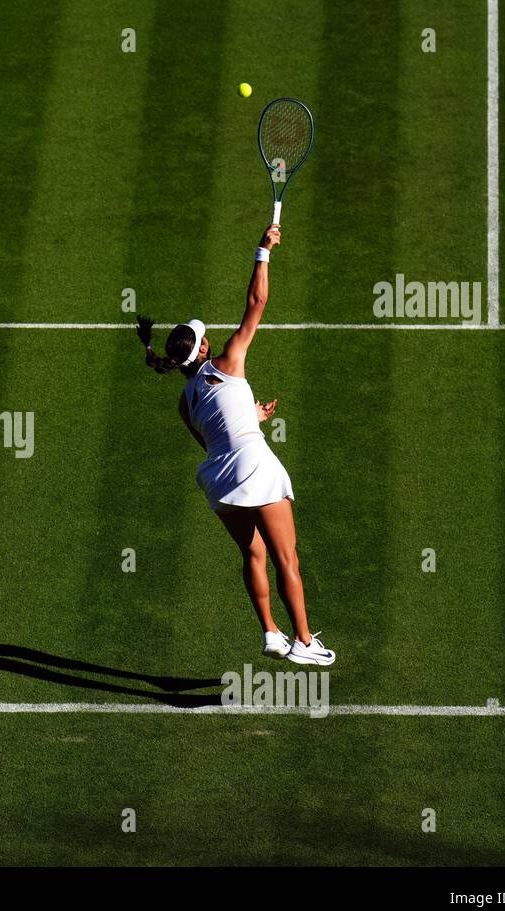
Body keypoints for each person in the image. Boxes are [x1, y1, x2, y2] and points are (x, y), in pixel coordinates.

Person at [137, 224, 335, 665]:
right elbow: (257, 302)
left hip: (218, 477)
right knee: (287, 557)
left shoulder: (185, 402)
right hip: (253, 465)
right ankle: (303, 641)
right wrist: (263, 251)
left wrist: (252, 416)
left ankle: (270, 632)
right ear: (203, 348)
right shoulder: (228, 360)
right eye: (203, 335)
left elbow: (213, 436)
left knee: (254, 552)